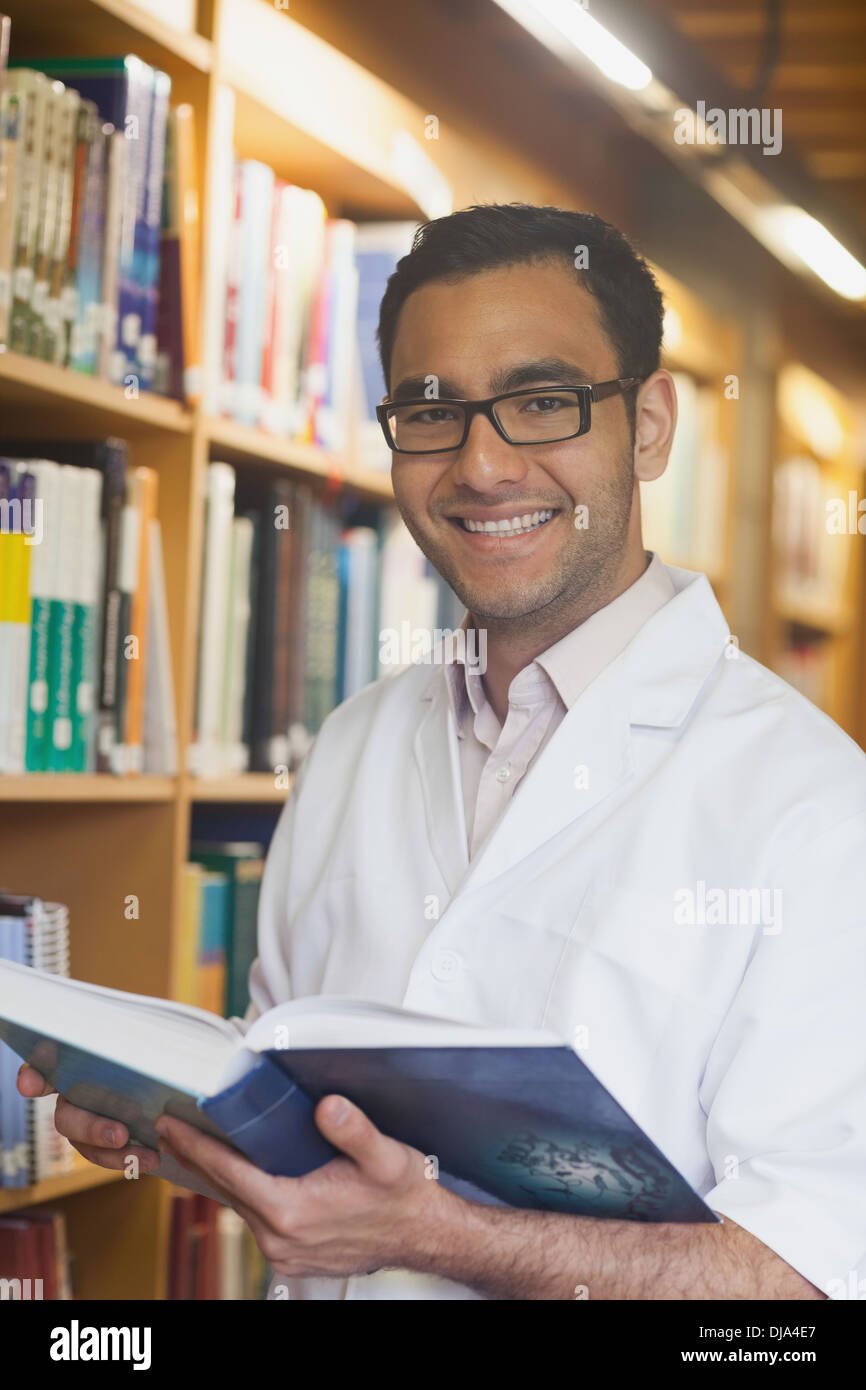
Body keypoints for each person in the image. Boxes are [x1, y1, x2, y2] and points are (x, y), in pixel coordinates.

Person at [20, 205, 866, 1301]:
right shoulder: (351, 745)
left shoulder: (813, 807)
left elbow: (808, 1277)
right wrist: (176, 1129)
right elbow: (315, 1157)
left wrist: (441, 1236)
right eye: (430, 412)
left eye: (539, 402)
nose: (479, 463)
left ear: (648, 424)